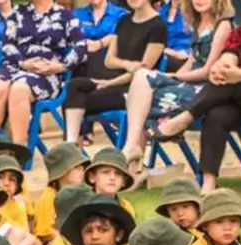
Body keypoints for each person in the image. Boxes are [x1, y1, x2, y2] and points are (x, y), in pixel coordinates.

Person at [151, 0, 241, 192]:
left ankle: (185, 117)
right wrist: (221, 69)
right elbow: (227, 59)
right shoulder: (240, 33)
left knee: (233, 83)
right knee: (216, 115)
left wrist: (239, 75)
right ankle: (208, 184)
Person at [116, 0, 230, 166]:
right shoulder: (198, 22)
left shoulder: (223, 25)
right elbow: (192, 60)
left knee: (139, 100)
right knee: (141, 77)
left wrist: (174, 77)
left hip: (206, 89)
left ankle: (135, 163)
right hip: (188, 82)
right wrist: (168, 76)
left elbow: (207, 70)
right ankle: (133, 148)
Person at [0, 0, 83, 144]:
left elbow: (81, 47)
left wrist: (60, 66)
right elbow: (7, 45)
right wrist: (22, 63)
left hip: (46, 73)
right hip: (16, 66)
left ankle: (19, 150)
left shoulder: (66, 16)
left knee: (19, 89)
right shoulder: (17, 13)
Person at [63, 0, 165, 142]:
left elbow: (143, 72)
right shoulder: (124, 20)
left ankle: (78, 142)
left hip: (136, 89)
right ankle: (71, 145)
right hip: (115, 79)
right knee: (74, 86)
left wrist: (108, 83)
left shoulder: (158, 26)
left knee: (77, 99)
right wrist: (127, 65)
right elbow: (109, 60)